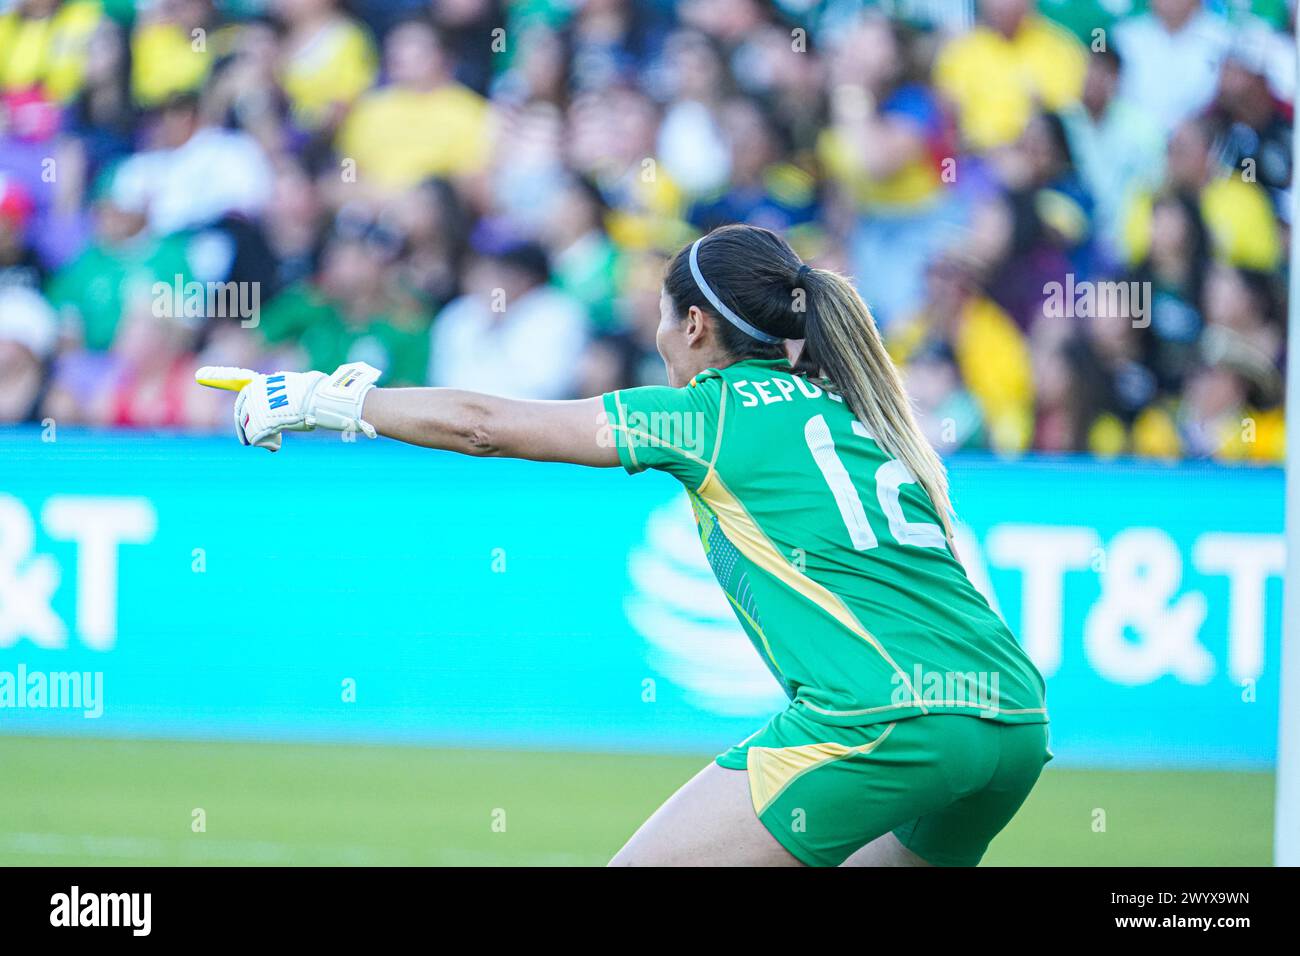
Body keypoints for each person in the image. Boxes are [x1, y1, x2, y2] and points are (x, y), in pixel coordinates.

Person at [196, 223, 1049, 867]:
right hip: (1011, 717)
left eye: (661, 320)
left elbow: (489, 427)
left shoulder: (708, 412)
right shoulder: (853, 412)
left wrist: (332, 402)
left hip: (882, 718)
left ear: (695, 327)